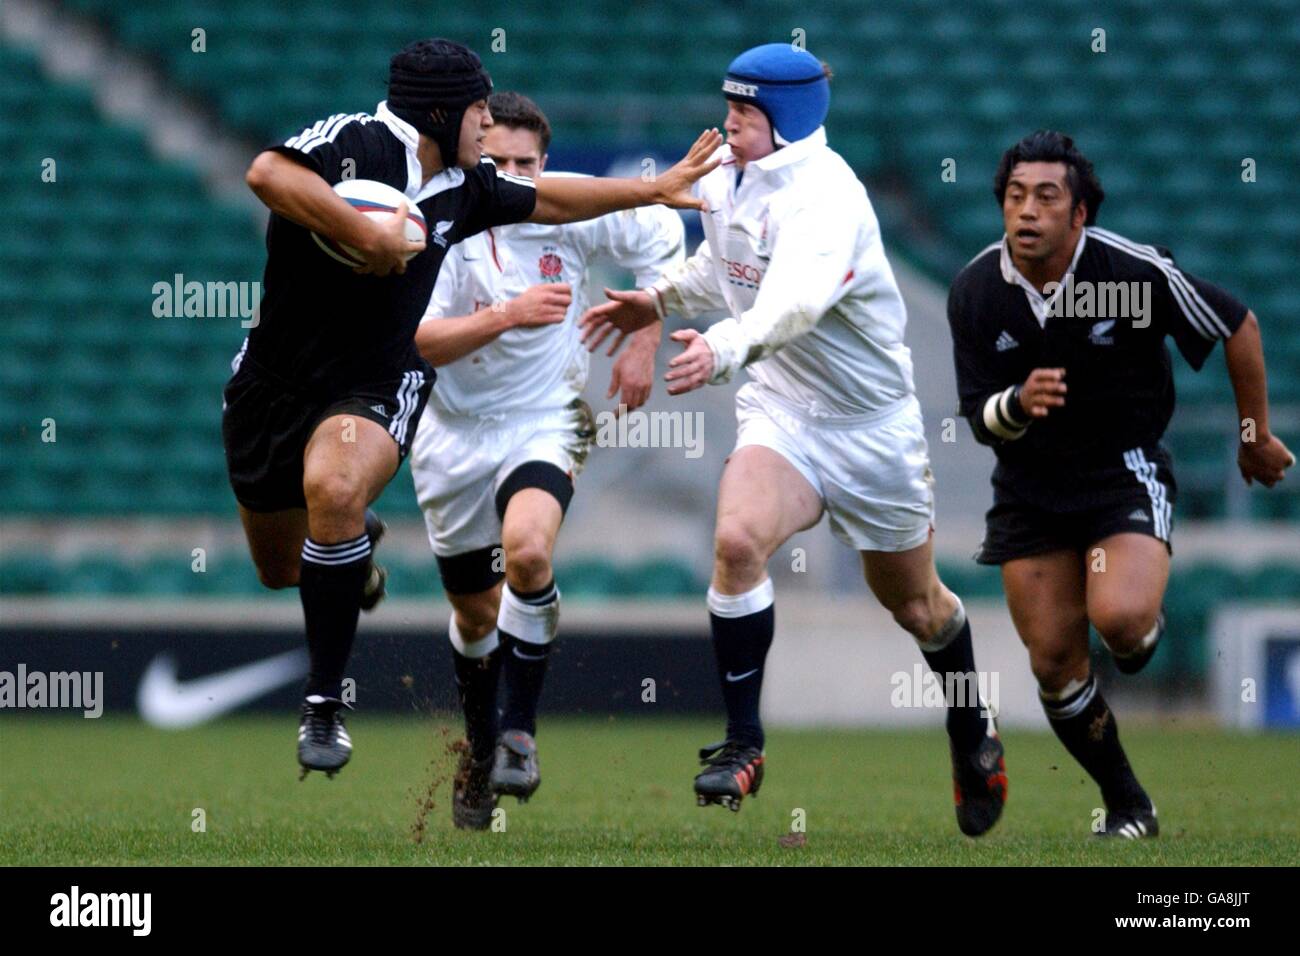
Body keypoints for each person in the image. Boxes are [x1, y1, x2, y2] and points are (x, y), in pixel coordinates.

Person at [223, 37, 719, 778]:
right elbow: (266, 172)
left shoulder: (471, 186)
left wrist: (653, 190)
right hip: (276, 385)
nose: (487, 125)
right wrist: (365, 234)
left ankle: (326, 706)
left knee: (338, 486)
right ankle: (353, 555)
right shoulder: (357, 143)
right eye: (479, 110)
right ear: (440, 111)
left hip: (379, 380)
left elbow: (555, 199)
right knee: (278, 566)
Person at [581, 43, 1006, 836]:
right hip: (784, 407)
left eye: (745, 112)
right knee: (737, 540)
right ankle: (744, 743)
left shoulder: (831, 198)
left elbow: (794, 305)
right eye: (729, 107)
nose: (729, 123)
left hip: (871, 428)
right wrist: (659, 297)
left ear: (788, 118)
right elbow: (721, 270)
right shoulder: (723, 177)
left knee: (916, 605)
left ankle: (969, 723)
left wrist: (721, 348)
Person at [946, 129, 1294, 837]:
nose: (1027, 211)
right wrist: (1019, 404)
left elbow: (1238, 325)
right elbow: (978, 417)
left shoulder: (1129, 275)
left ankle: (1139, 631)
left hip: (1120, 476)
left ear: (1079, 214)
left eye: (1047, 197)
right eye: (1015, 196)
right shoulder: (977, 291)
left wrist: (1253, 436)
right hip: (1030, 491)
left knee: (1121, 621)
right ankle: (1129, 804)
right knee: (1054, 665)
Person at [408, 91, 684, 828]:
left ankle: (520, 735)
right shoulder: (443, 223)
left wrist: (645, 334)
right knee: (475, 613)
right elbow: (419, 343)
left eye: (526, 164)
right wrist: (505, 314)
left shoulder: (569, 206)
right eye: (497, 161)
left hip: (544, 418)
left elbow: (662, 232)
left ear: (545, 164)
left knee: (528, 552)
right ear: (475, 158)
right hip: (452, 434)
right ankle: (480, 744)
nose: (512, 176)